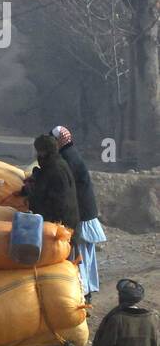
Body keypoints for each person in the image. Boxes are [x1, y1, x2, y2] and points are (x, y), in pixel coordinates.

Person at [52, 125, 106, 301]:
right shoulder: (71, 154)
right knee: (86, 258)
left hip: (81, 217)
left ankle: (82, 293)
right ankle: (86, 291)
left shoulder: (66, 160)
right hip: (86, 215)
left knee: (79, 257)